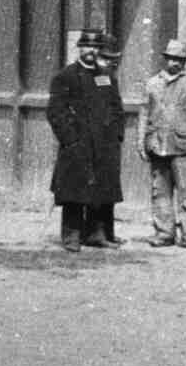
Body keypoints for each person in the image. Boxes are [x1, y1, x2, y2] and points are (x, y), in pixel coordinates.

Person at [47, 30, 127, 250]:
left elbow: (116, 107)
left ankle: (97, 234)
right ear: (79, 48)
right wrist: (70, 140)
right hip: (78, 144)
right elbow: (56, 112)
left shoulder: (106, 76)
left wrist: (117, 134)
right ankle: (71, 236)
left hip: (104, 145)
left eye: (95, 47)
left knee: (103, 190)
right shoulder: (66, 76)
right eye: (87, 46)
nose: (91, 51)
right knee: (75, 190)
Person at [140, 38, 186, 249]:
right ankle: (164, 233)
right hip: (157, 145)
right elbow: (144, 114)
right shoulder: (152, 83)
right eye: (171, 58)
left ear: (185, 61)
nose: (175, 63)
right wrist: (141, 142)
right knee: (160, 192)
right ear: (165, 59)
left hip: (184, 147)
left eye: (179, 59)